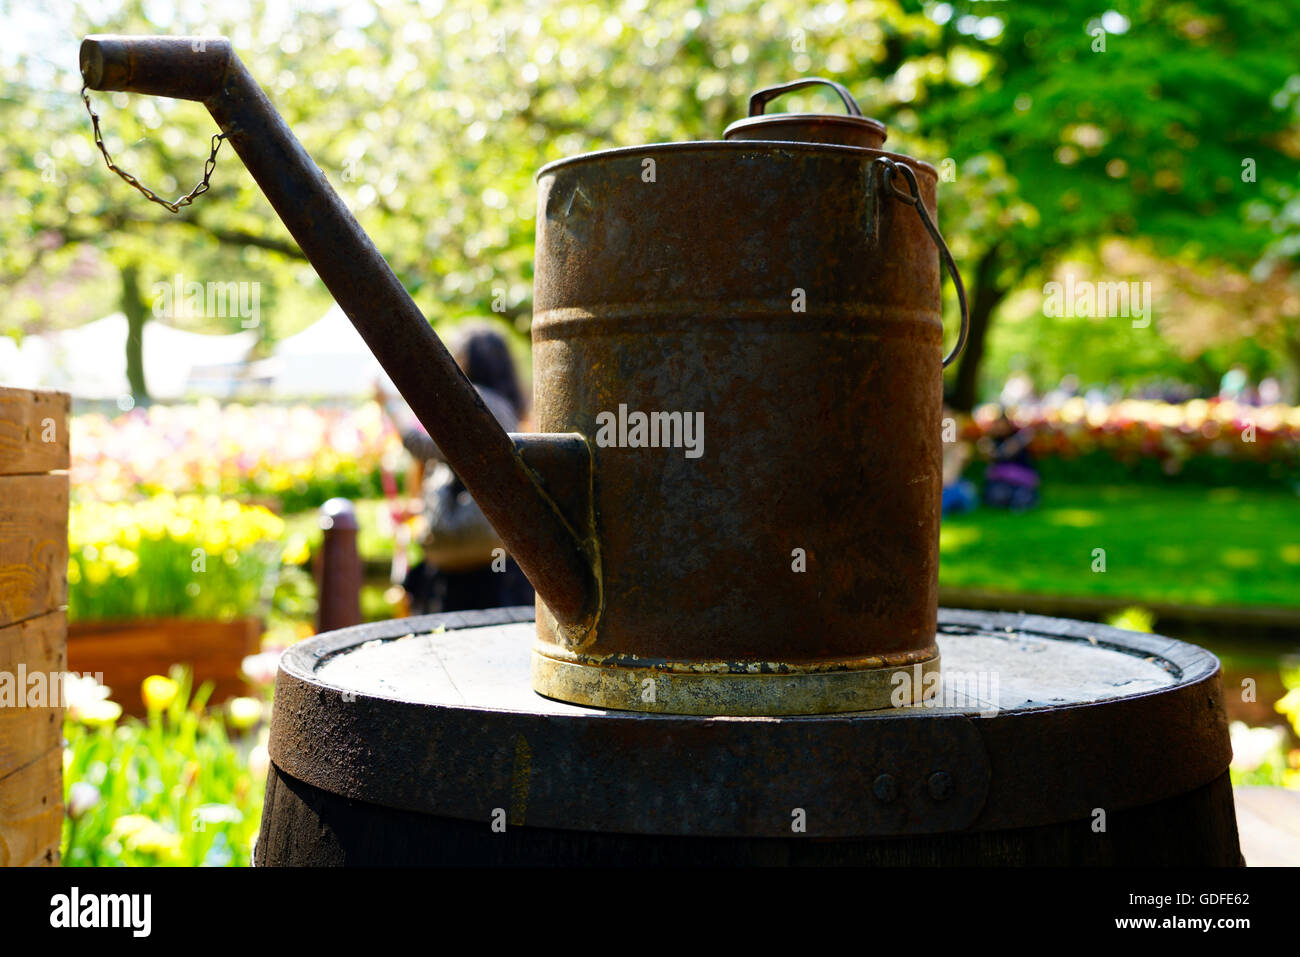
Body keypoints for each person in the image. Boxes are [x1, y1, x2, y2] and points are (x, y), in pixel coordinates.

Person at [376, 322, 534, 613]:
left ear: (461, 361)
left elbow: (421, 446)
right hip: (502, 558)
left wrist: (387, 405)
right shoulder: (509, 407)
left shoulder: (473, 401)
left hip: (464, 571)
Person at [980, 409, 1040, 511]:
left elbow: (1005, 452)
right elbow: (991, 456)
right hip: (1000, 479)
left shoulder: (1017, 438)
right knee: (998, 495)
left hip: (1019, 477)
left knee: (1019, 495)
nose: (1000, 427)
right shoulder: (991, 440)